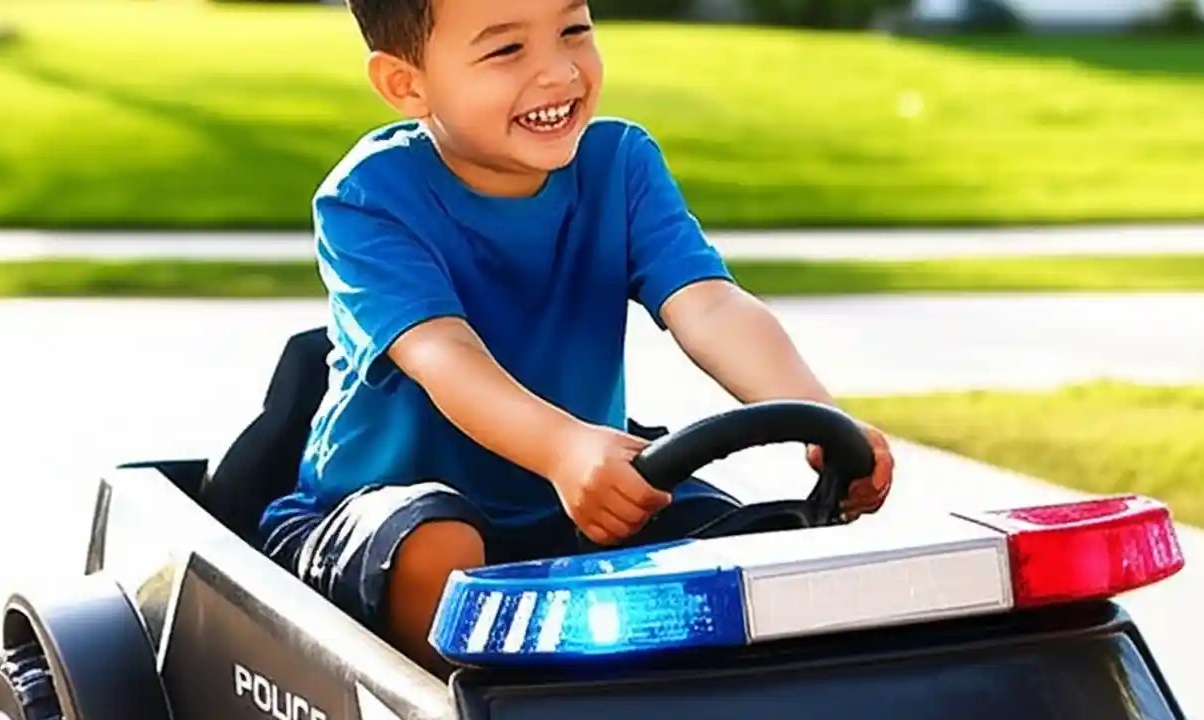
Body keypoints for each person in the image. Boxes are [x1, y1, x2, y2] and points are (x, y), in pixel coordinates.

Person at [259, 0, 895, 677]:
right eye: (507, 50)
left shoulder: (620, 164)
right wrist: (561, 446)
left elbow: (707, 305)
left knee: (741, 550)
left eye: (574, 31)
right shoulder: (369, 198)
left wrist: (818, 412)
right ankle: (456, 696)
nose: (559, 71)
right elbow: (444, 355)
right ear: (406, 84)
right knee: (439, 542)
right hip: (376, 511)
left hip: (584, 493)